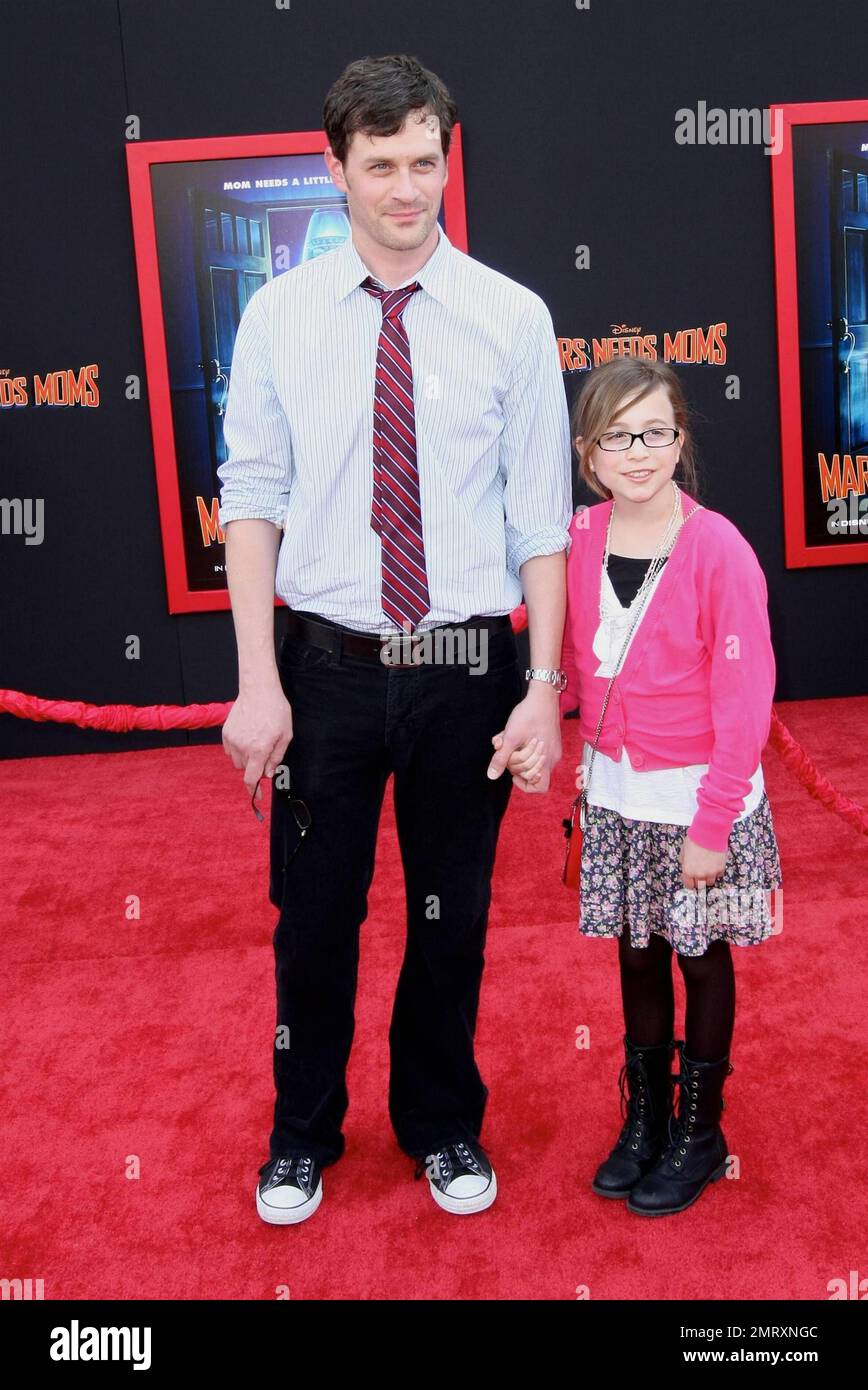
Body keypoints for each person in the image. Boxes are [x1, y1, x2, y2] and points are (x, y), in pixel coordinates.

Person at [217, 53, 572, 1224]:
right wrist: (255, 685)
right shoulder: (277, 318)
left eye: (426, 160)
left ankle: (441, 1123)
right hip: (323, 668)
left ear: (446, 157)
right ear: (336, 168)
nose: (408, 187)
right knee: (312, 917)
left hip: (464, 669)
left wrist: (541, 689)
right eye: (382, 166)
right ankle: (299, 1134)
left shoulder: (512, 316)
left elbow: (538, 519)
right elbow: (252, 499)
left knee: (450, 916)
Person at [559, 357, 783, 1217]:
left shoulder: (717, 546)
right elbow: (585, 662)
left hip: (698, 801)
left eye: (656, 432)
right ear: (590, 454)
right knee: (637, 952)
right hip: (617, 795)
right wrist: (547, 722)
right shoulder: (580, 539)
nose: (639, 451)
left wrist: (715, 820)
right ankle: (645, 1117)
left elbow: (745, 692)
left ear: (680, 439)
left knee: (699, 954)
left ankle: (700, 1128)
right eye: (619, 436)